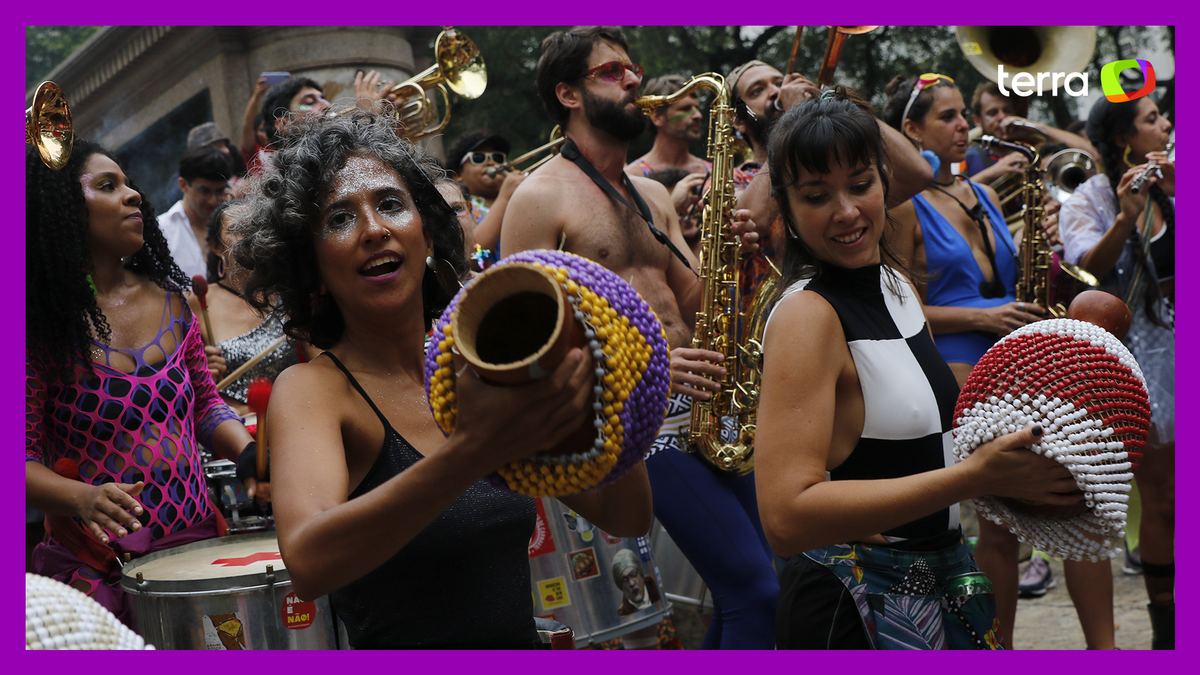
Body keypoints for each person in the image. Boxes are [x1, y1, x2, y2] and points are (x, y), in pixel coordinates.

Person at [230, 110, 653, 649]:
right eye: (338, 218)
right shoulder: (313, 391)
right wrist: (475, 451)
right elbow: (311, 563)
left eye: (389, 204)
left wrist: (604, 375)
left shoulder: (484, 368)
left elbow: (627, 513)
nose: (374, 229)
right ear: (308, 267)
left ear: (427, 235)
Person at [754, 89, 1083, 650]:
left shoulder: (898, 286)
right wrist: (975, 477)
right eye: (816, 195)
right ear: (787, 209)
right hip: (852, 606)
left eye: (860, 184)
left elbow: (923, 429)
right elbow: (787, 516)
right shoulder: (806, 316)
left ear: (884, 182)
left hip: (942, 580)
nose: (847, 211)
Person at [502, 25, 775, 650]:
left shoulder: (650, 193)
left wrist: (732, 256)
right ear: (568, 94)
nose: (632, 80)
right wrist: (650, 370)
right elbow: (521, 346)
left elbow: (698, 305)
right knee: (754, 591)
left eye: (631, 69)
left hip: (714, 409)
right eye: (611, 72)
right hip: (640, 421)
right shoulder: (538, 196)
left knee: (777, 576)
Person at [882, 72, 1118, 650]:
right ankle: (999, 650)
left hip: (1019, 349)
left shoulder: (982, 194)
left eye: (965, 113)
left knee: (1078, 496)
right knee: (999, 519)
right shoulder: (904, 206)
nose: (966, 125)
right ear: (911, 130)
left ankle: (1106, 651)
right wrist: (984, 318)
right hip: (963, 358)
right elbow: (900, 311)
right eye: (948, 117)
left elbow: (1010, 283)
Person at [25, 140, 256, 627]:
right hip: (100, 567)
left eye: (129, 183)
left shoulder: (174, 301)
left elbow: (206, 407)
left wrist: (252, 453)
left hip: (196, 549)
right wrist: (81, 499)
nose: (133, 195)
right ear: (62, 209)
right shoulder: (38, 327)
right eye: (109, 186)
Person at [1059, 95, 1175, 650]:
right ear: (1125, 138)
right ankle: (1166, 630)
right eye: (1152, 119)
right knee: (1164, 497)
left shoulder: (1175, 185)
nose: (1167, 124)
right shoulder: (1090, 198)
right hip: (1133, 361)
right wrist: (1128, 217)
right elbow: (1086, 273)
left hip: (1180, 348)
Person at [199, 200, 304, 417]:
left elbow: (320, 362)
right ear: (217, 247)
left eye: (254, 227)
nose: (248, 236)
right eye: (237, 230)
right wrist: (199, 372)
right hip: (229, 433)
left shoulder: (289, 293)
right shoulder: (197, 301)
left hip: (290, 418)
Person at [626, 74, 709, 221]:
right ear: (657, 117)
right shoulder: (632, 177)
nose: (697, 115)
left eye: (697, 107)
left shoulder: (712, 172)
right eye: (685, 109)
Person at [445, 130, 523, 265]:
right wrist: (504, 197)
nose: (491, 163)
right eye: (478, 158)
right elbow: (473, 256)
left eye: (497, 158)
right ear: (458, 174)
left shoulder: (519, 198)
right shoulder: (459, 208)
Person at [160, 146, 233, 279]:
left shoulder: (233, 223)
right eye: (204, 191)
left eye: (219, 191)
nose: (212, 201)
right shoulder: (161, 231)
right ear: (183, 185)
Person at [612, 548, 661, 616]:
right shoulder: (623, 615)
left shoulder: (659, 591)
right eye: (625, 580)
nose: (632, 583)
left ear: (641, 574)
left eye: (634, 575)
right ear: (620, 586)